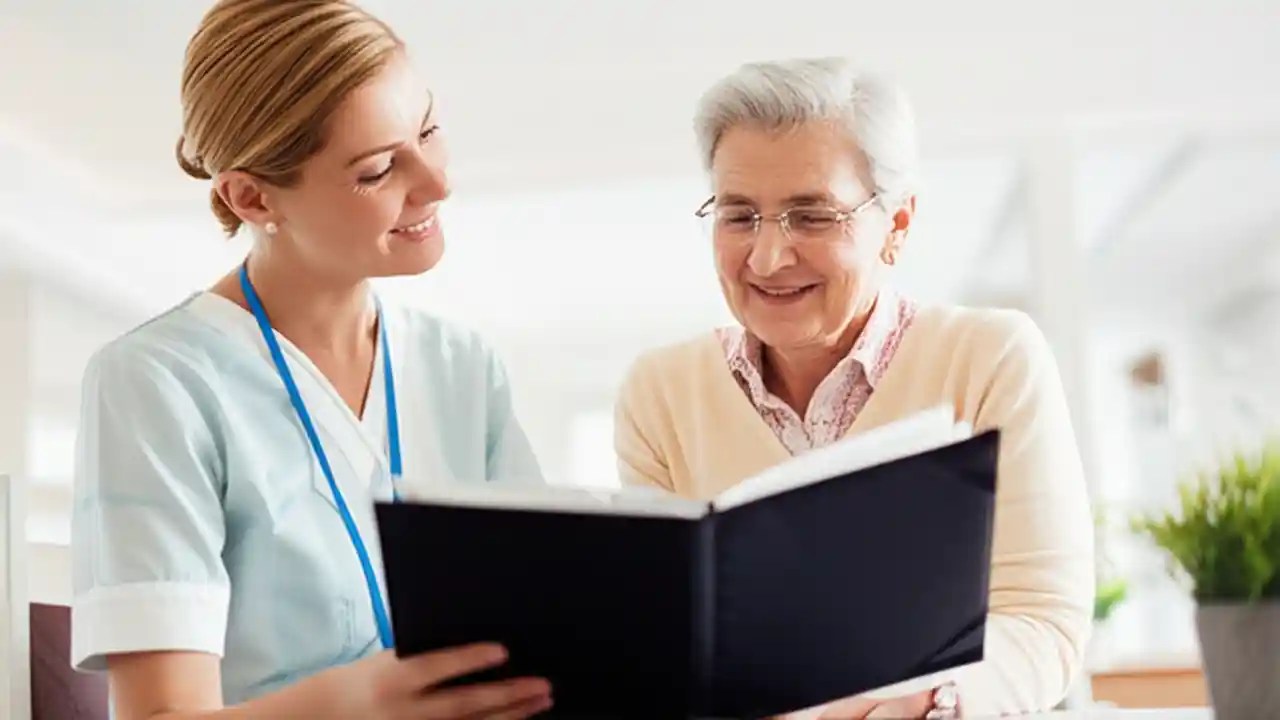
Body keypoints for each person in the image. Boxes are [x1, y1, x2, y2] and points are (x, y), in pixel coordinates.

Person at [69, 1, 553, 717]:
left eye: (429, 131)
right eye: (380, 169)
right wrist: (348, 704)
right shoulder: (156, 383)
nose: (436, 184)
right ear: (252, 196)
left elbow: (544, 626)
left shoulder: (463, 367)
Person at [614, 57, 1094, 719]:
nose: (767, 258)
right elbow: (661, 646)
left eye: (810, 216)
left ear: (896, 224)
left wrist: (922, 705)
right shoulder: (661, 392)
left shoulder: (990, 358)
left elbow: (1042, 620)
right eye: (739, 215)